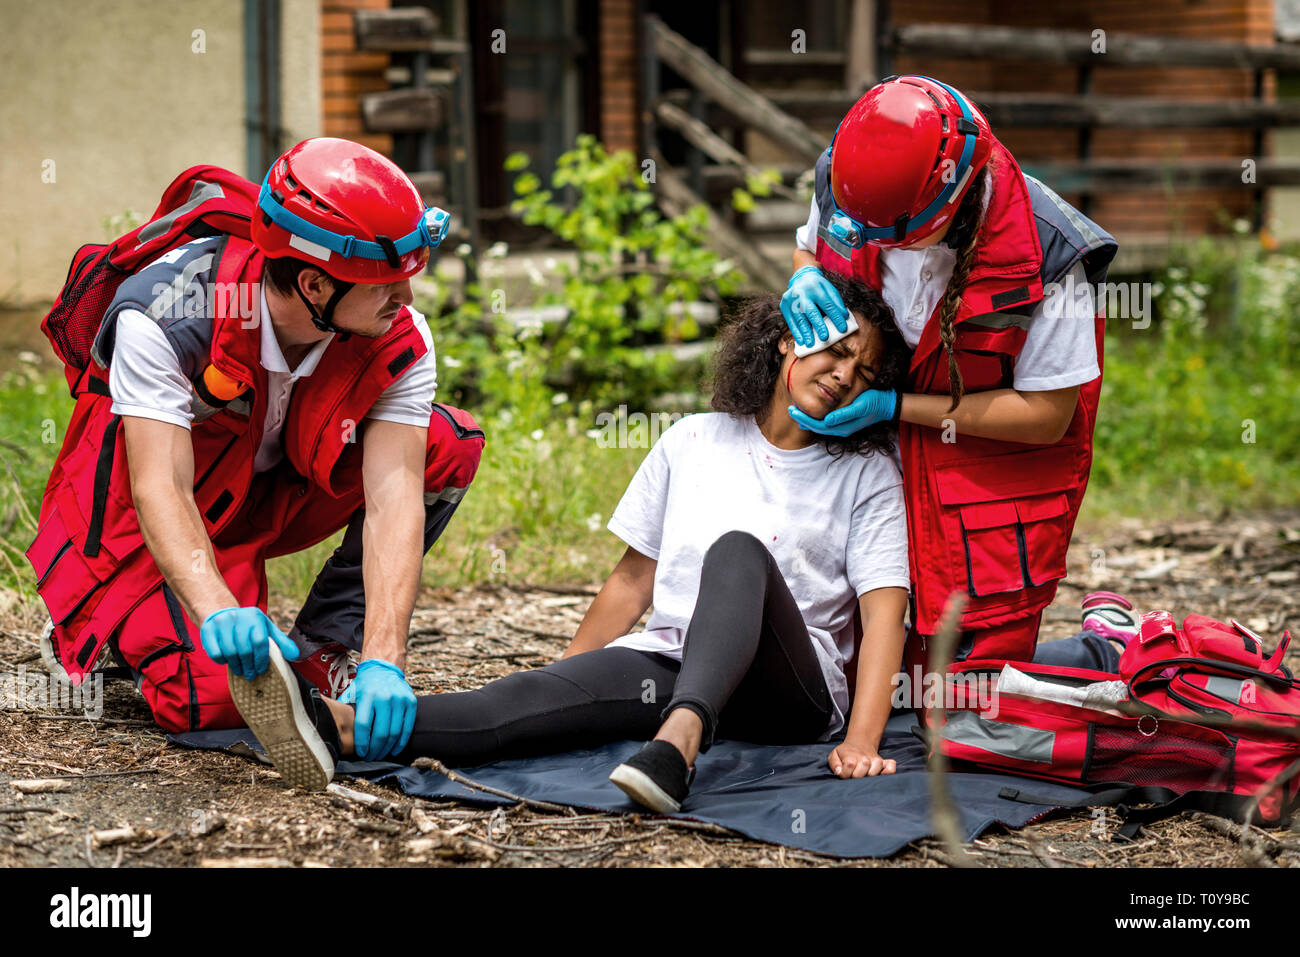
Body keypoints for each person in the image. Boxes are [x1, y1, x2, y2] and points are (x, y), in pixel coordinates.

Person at [229, 274, 915, 810]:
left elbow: (885, 613)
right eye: (837, 349)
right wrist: (561, 679)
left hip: (788, 695)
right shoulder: (693, 441)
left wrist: (859, 741)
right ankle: (333, 725)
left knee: (736, 552)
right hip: (674, 661)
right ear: (789, 339)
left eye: (864, 370)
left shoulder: (865, 473)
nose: (846, 373)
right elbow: (631, 581)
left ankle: (677, 746)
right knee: (517, 703)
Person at [28, 138, 484, 764]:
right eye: (386, 284)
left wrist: (386, 657)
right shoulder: (165, 314)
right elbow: (158, 486)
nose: (406, 299)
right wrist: (217, 609)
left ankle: (325, 646)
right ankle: (109, 625)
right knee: (211, 703)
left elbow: (394, 494)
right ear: (315, 283)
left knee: (447, 445)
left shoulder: (396, 335)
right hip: (149, 507)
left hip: (266, 496)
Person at [779, 75, 1122, 677]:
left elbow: (1048, 418)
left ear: (954, 195)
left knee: (964, 713)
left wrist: (894, 406)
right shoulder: (853, 183)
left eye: (897, 236)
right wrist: (803, 272)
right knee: (856, 676)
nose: (879, 247)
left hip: (985, 505)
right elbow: (814, 244)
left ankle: (1107, 648)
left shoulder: (1052, 255)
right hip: (868, 477)